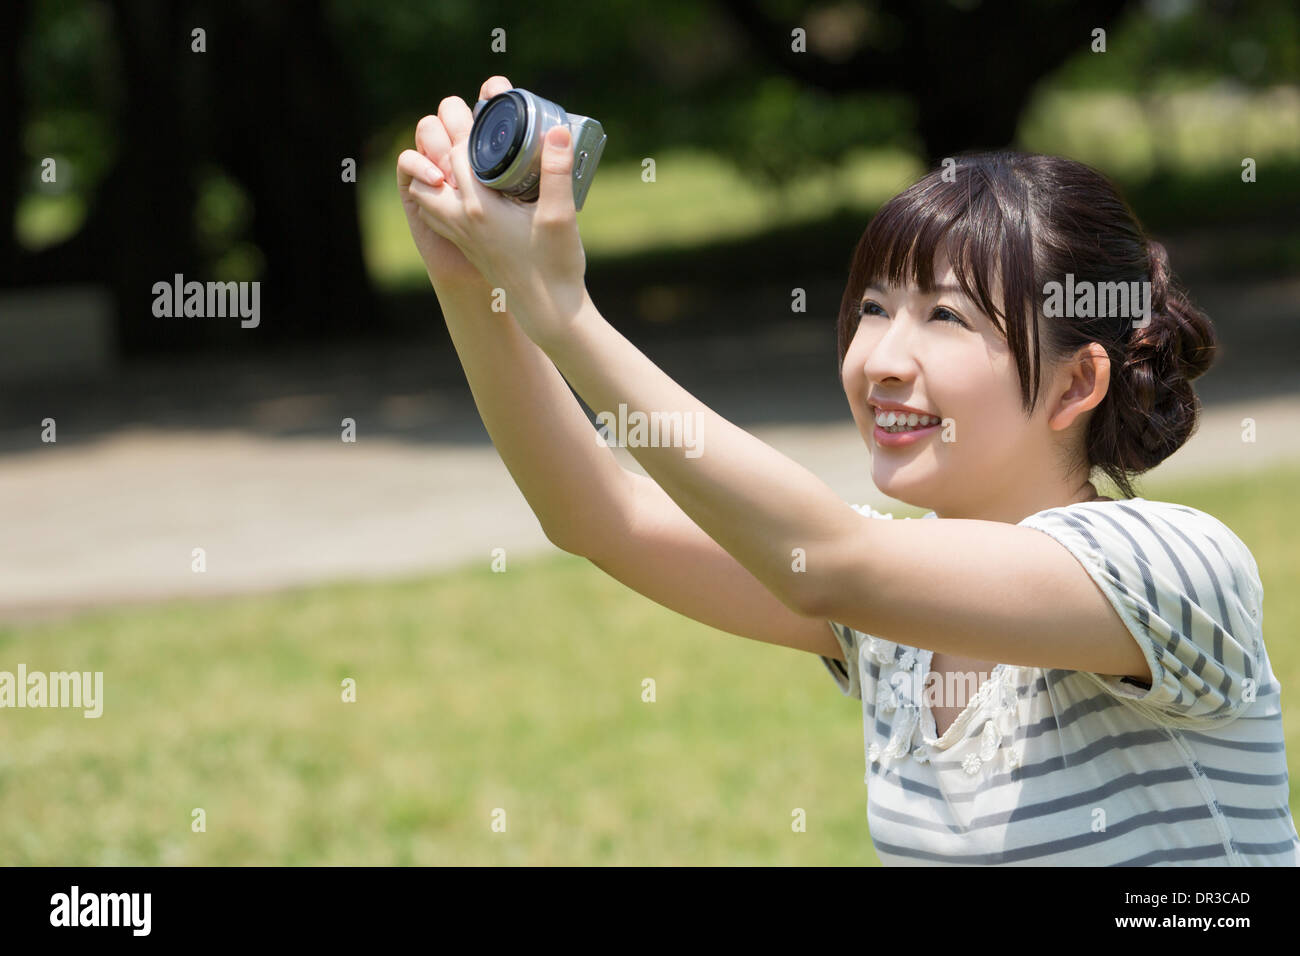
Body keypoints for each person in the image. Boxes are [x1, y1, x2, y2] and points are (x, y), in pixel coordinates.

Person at [397, 75, 1300, 865]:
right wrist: (481, 286)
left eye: (946, 319)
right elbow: (599, 516)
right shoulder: (891, 625)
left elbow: (828, 559)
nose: (883, 360)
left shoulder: (1173, 566)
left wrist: (569, 317)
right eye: (874, 308)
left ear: (1078, 381)